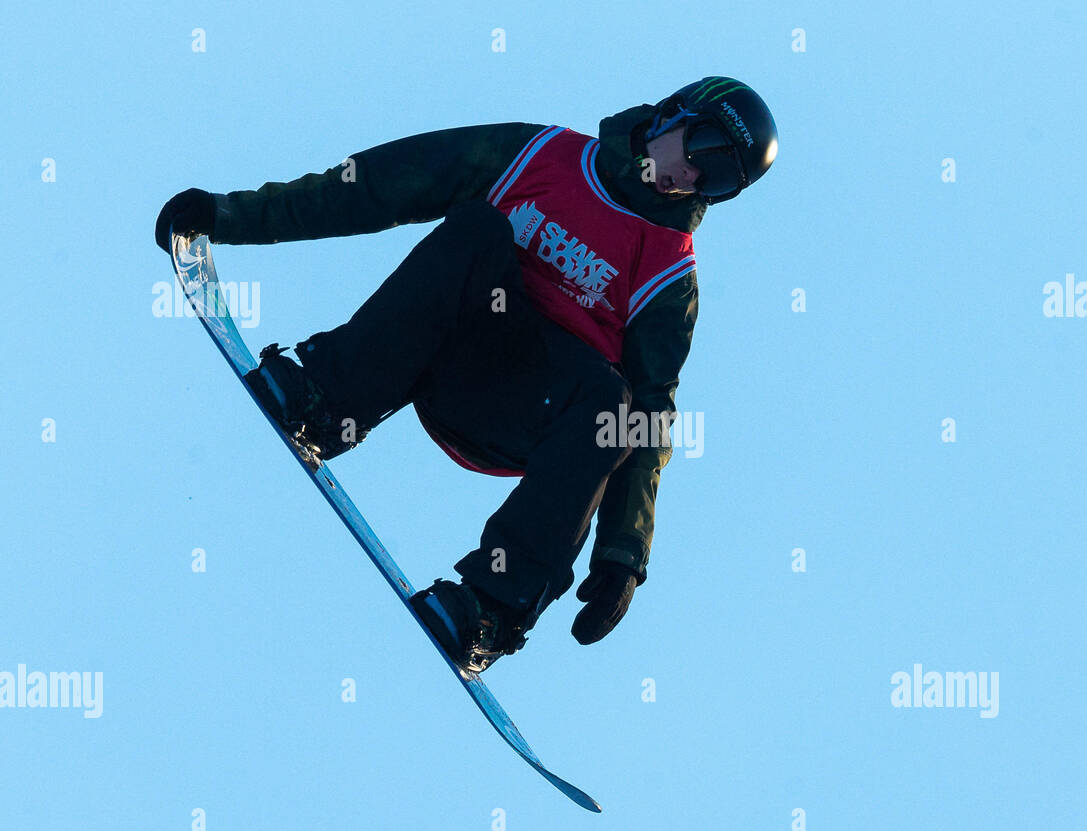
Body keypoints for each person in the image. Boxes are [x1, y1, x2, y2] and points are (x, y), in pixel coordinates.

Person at [154, 76, 778, 673]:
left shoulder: (669, 274)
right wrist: (229, 217)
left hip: (528, 412)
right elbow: (378, 185)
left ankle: (491, 610)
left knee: (615, 402)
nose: (693, 176)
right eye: (704, 152)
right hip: (440, 348)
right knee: (478, 228)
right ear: (671, 114)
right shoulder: (539, 156)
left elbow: (648, 420)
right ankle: (323, 400)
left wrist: (623, 553)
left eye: (719, 180)